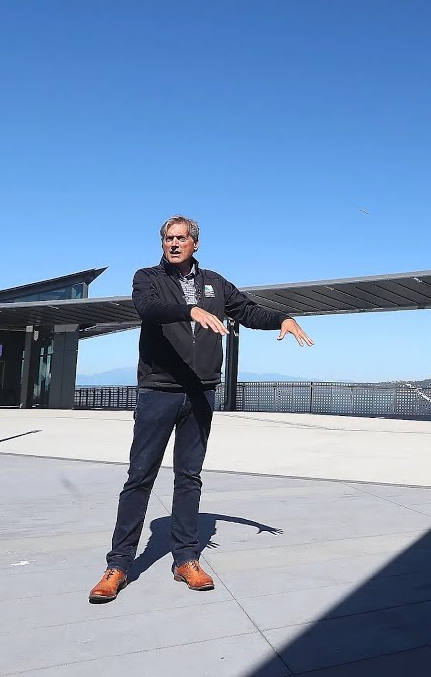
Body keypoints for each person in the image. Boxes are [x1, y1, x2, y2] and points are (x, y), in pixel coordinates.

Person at [89, 215, 313, 604]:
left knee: (189, 477)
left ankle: (186, 558)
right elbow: (150, 309)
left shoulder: (216, 283)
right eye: (167, 239)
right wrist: (189, 310)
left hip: (201, 393)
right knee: (140, 477)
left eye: (180, 238)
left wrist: (283, 318)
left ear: (195, 243)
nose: (173, 244)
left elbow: (248, 310)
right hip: (158, 390)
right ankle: (119, 564)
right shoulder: (147, 278)